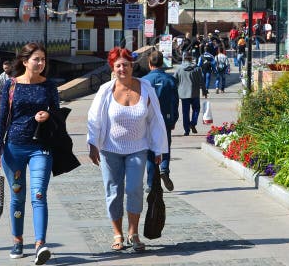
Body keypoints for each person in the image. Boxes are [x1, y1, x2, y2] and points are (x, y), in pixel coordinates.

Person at [87, 48, 169, 253]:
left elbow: (154, 119)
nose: (122, 69)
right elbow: (94, 118)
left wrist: (158, 148)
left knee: (134, 189)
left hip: (137, 148)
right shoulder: (106, 90)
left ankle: (133, 233)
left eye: (125, 64)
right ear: (112, 69)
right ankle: (118, 234)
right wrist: (93, 144)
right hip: (109, 149)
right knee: (113, 191)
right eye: (118, 65)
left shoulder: (146, 88)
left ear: (132, 66)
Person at [0, 42, 60, 265]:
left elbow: (58, 114)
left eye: (43, 59)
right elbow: (3, 118)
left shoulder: (49, 86)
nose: (40, 63)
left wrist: (48, 116)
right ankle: (18, 240)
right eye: (36, 59)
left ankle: (40, 244)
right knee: (18, 196)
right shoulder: (11, 85)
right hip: (14, 148)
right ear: (24, 61)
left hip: (41, 147)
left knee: (39, 194)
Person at [143, 51, 178, 192]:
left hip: (148, 120)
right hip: (166, 118)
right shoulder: (170, 80)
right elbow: (175, 101)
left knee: (150, 150)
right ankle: (164, 169)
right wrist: (174, 118)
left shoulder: (144, 81)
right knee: (165, 146)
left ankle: (151, 184)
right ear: (162, 62)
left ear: (149, 63)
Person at [175, 52, 206, 135]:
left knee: (185, 112)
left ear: (184, 58)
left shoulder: (179, 68)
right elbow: (202, 80)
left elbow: (174, 80)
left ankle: (186, 130)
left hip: (183, 94)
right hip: (195, 92)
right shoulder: (197, 68)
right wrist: (204, 91)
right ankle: (193, 123)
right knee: (196, 109)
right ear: (191, 58)